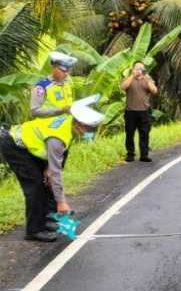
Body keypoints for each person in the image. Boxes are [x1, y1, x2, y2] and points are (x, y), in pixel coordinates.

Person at [0, 95, 104, 242]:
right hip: (14, 145)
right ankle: (34, 230)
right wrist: (61, 202)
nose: (88, 133)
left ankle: (47, 218)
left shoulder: (70, 123)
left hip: (31, 145)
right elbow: (56, 173)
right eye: (87, 129)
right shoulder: (58, 138)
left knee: (46, 180)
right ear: (78, 125)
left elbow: (55, 162)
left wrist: (48, 166)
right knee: (35, 185)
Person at [120, 61, 158, 162]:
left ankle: (144, 155)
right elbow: (123, 87)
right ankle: (130, 154)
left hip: (144, 111)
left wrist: (146, 78)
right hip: (130, 111)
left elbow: (154, 91)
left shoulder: (147, 79)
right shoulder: (129, 79)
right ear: (133, 69)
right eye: (137, 68)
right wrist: (132, 76)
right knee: (129, 134)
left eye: (141, 68)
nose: (139, 70)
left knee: (144, 134)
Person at [31, 51, 77, 119]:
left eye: (68, 71)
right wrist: (61, 110)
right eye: (63, 70)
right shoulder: (41, 87)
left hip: (64, 126)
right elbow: (34, 112)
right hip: (46, 128)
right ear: (54, 67)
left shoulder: (68, 83)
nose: (66, 74)